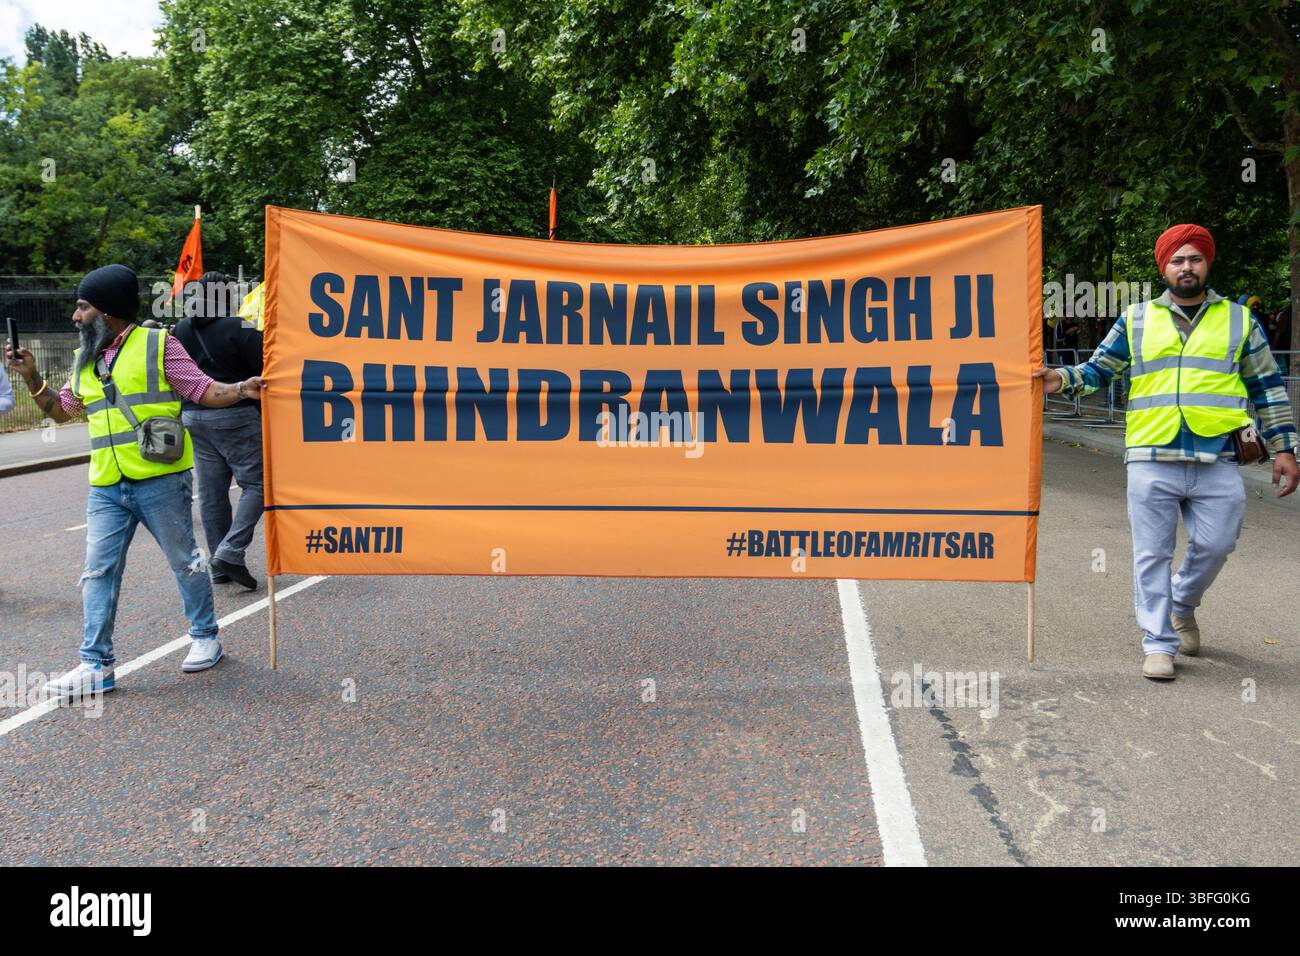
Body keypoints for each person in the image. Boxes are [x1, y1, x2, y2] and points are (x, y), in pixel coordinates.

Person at [1035, 224, 1298, 681]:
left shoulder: (1239, 320)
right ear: (1164, 268)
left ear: (1207, 264)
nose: (1186, 267)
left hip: (1217, 455)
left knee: (1218, 543)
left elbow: (1268, 388)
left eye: (1195, 259)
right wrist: (1063, 378)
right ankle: (1158, 643)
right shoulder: (1136, 319)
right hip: (1150, 453)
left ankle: (1181, 604)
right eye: (1177, 260)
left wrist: (1285, 449)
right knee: (1152, 553)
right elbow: (1099, 369)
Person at [3, 264, 265, 698]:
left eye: (83, 307)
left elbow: (203, 390)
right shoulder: (84, 357)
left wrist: (240, 389)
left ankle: (205, 637)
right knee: (97, 571)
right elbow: (62, 411)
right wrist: (30, 375)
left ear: (108, 311)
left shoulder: (160, 344)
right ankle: (96, 664)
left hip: (159, 479)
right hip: (106, 484)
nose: (75, 316)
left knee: (185, 562)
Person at [172, 272, 265, 590]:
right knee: (259, 484)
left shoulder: (181, 329)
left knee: (212, 492)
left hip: (194, 415)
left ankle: (219, 565)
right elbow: (265, 367)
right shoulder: (240, 327)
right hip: (236, 414)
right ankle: (230, 552)